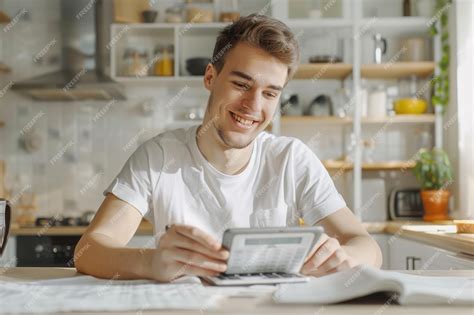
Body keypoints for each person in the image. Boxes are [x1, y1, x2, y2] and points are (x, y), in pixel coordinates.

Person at [75, 14, 382, 282]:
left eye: (270, 93)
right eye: (241, 85)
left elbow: (368, 247)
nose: (253, 106)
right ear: (210, 77)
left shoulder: (292, 159)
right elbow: (88, 251)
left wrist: (346, 257)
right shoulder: (158, 157)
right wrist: (150, 262)